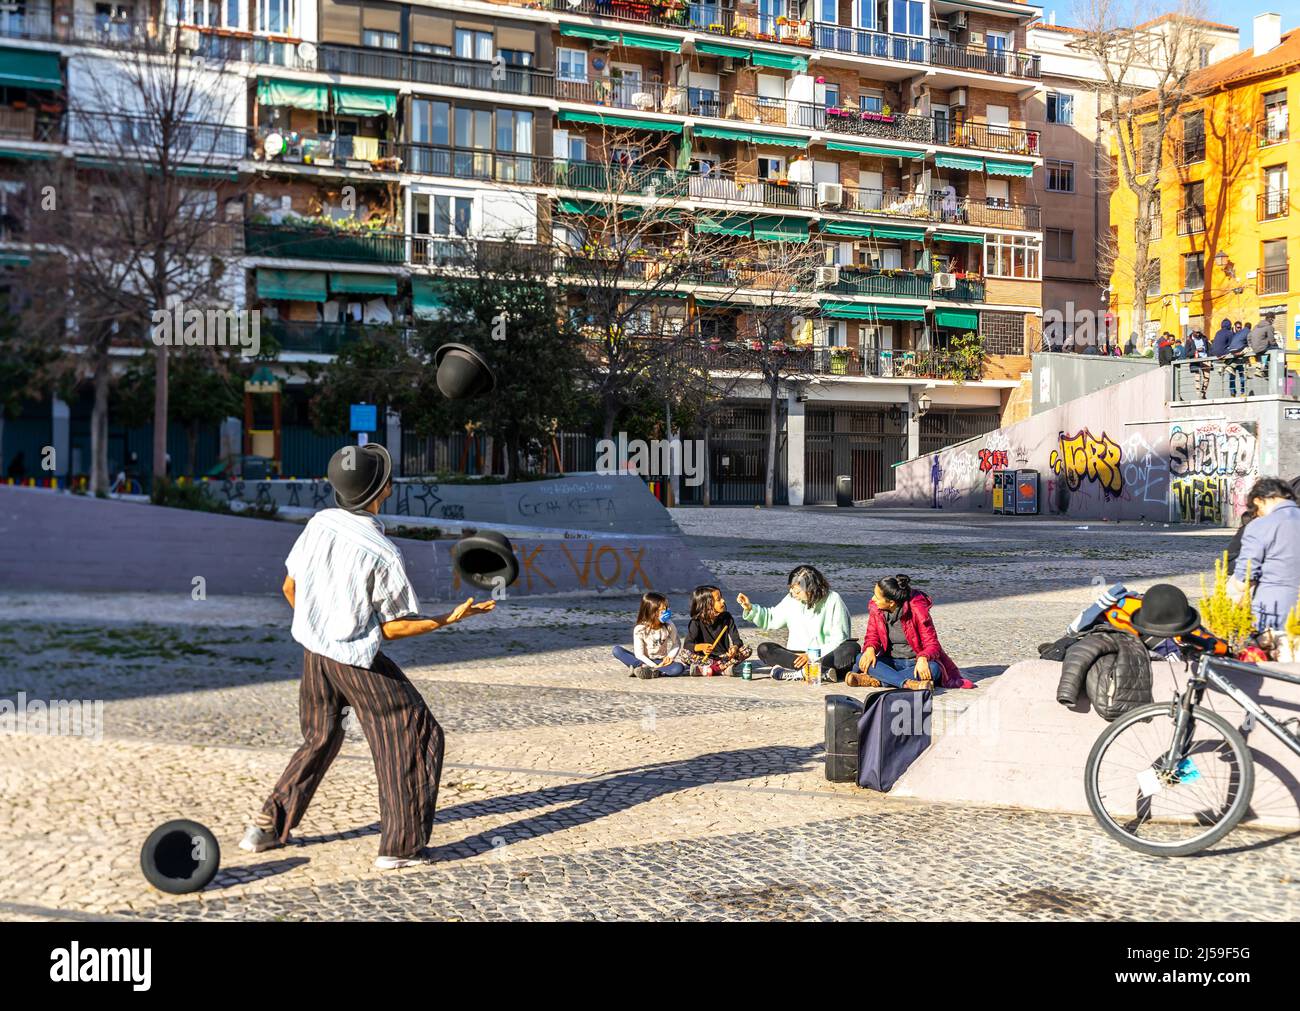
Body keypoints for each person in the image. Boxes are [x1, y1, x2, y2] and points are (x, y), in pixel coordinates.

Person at [238, 444, 495, 869]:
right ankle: (401, 847)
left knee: (320, 737)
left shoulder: (319, 524)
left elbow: (290, 588)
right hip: (353, 660)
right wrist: (447, 619)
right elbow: (392, 628)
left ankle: (266, 826)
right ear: (382, 490)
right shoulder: (382, 552)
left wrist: (321, 627)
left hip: (314, 654)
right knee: (414, 733)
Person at [847, 575, 973, 690]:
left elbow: (932, 644)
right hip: (891, 661)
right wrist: (870, 649)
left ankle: (876, 680)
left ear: (891, 602)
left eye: (877, 597)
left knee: (934, 669)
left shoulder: (917, 610)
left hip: (915, 662)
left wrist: (923, 658)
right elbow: (872, 636)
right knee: (860, 658)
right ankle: (907, 683)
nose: (873, 599)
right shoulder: (876, 609)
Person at [736, 564, 857, 683]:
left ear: (811, 589)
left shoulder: (833, 600)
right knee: (764, 649)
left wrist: (811, 656)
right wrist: (750, 608)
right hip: (796, 657)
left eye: (797, 591)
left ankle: (807, 671)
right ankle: (817, 672)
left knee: (851, 649)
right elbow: (771, 618)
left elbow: (840, 639)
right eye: (792, 589)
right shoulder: (791, 599)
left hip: (822, 655)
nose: (793, 593)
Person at [1231, 477, 1300, 632]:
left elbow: (1243, 580)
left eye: (1256, 512)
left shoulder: (1261, 525)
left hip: (1274, 613)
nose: (1257, 515)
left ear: (1258, 501)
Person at [614, 591, 686, 679]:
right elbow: (639, 654)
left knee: (679, 668)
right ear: (653, 611)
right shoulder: (640, 629)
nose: (667, 611)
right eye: (663, 609)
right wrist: (653, 665)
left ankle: (644, 671)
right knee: (617, 650)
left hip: (660, 660)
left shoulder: (668, 625)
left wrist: (670, 657)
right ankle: (646, 668)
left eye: (667, 608)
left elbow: (677, 643)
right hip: (642, 660)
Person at [683, 584, 747, 675]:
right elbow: (687, 644)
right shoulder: (696, 621)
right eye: (718, 599)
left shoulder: (727, 617)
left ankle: (706, 669)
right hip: (704, 657)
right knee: (684, 654)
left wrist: (734, 648)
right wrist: (702, 647)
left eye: (722, 597)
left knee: (746, 650)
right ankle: (722, 668)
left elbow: (737, 640)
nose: (723, 601)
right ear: (707, 605)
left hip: (723, 657)